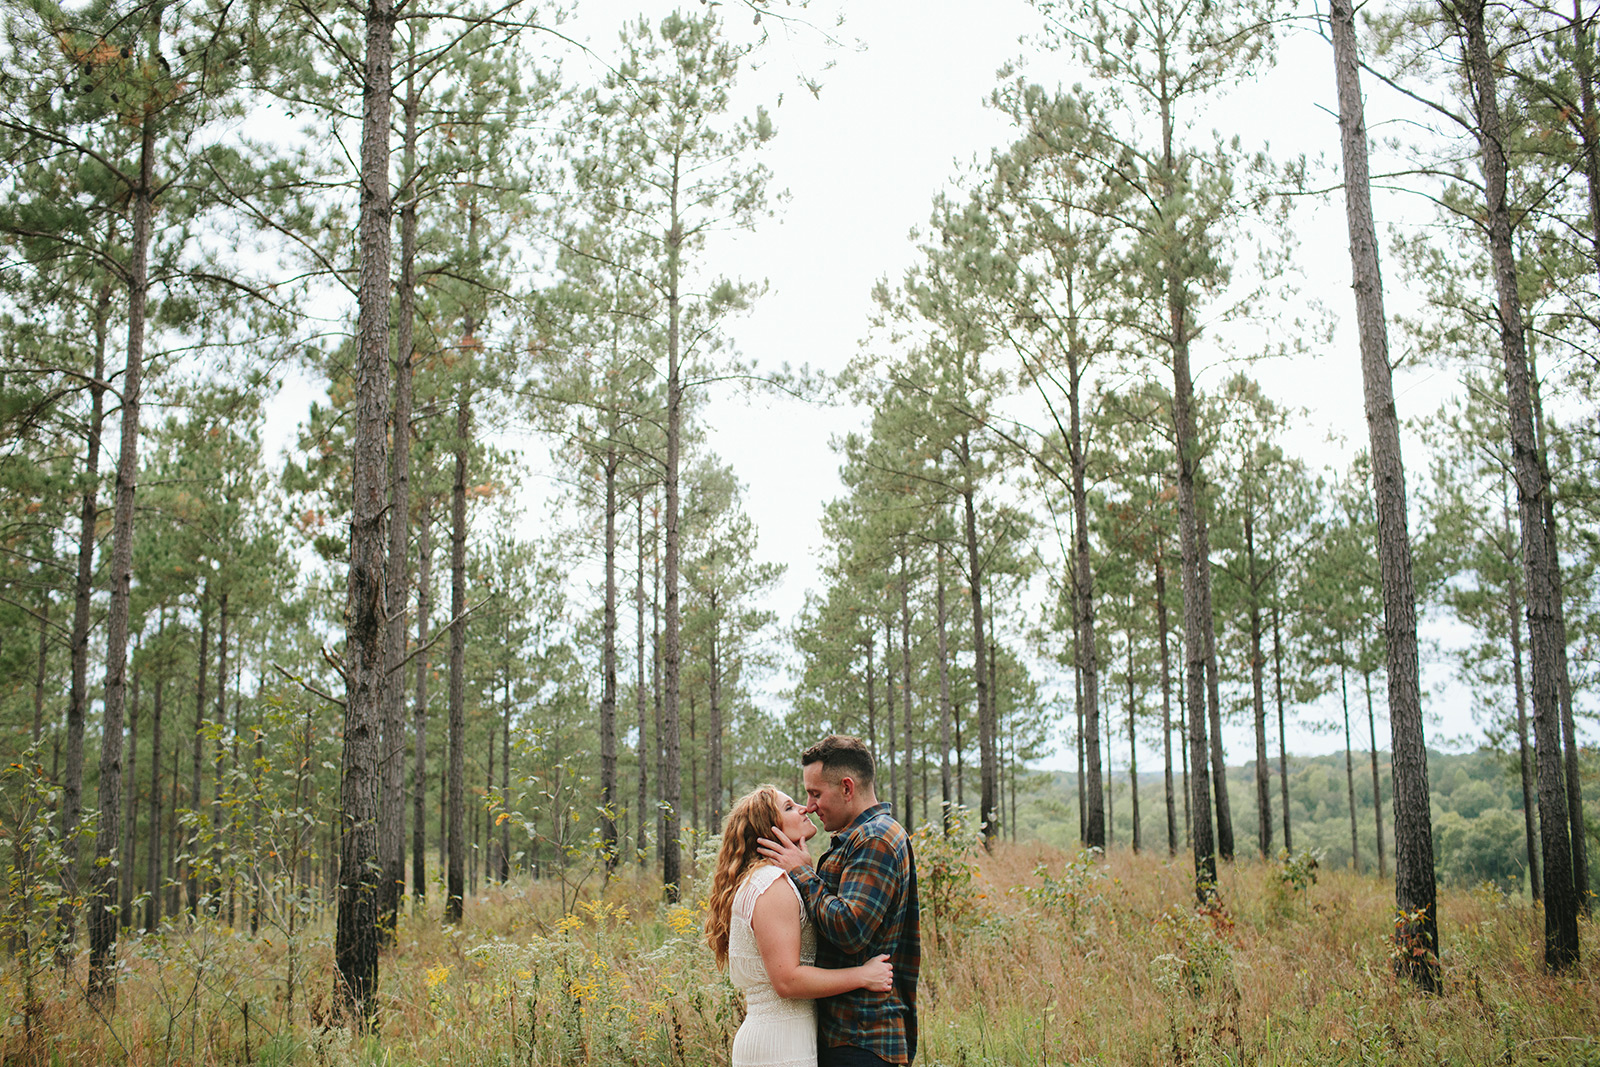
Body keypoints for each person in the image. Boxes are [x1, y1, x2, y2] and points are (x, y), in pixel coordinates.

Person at [757, 736, 921, 1067]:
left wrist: (804, 874)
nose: (810, 805)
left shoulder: (874, 839)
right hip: (849, 1036)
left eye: (816, 793)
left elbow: (850, 930)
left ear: (847, 788)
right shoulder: (855, 839)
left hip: (863, 1038)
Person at [707, 785, 895, 1067]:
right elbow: (787, 980)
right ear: (771, 830)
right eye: (789, 807)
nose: (804, 808)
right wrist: (863, 976)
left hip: (786, 1036)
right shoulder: (772, 886)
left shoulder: (776, 880)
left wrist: (804, 868)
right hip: (778, 1044)